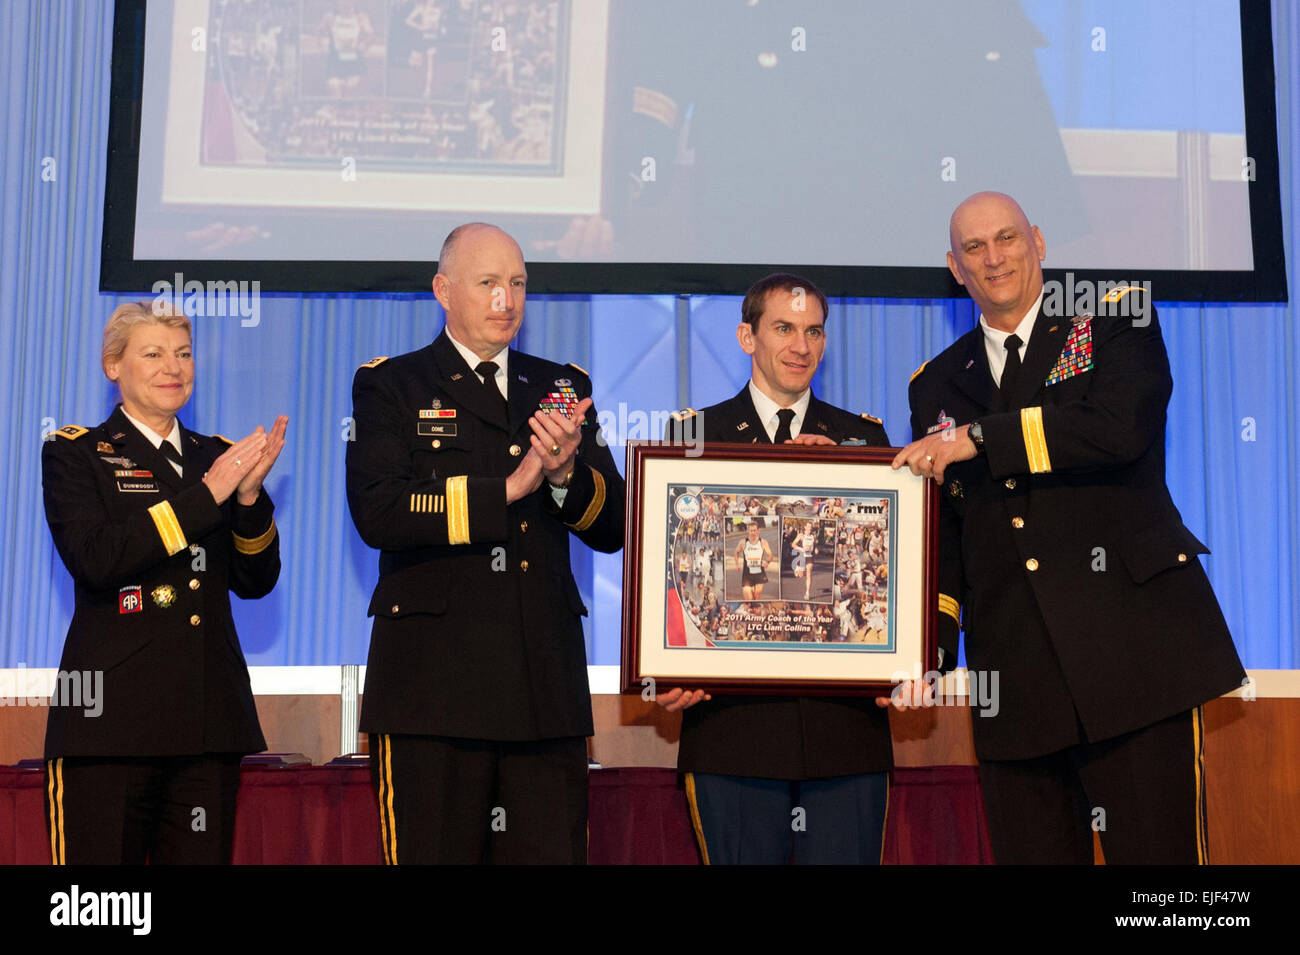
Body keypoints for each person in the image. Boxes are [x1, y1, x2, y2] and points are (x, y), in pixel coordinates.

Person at [893, 191, 1246, 864]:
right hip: (1016, 682)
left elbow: (1118, 428)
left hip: (1133, 660)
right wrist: (927, 652)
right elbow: (947, 537)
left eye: (1008, 238)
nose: (994, 258)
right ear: (954, 268)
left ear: (1040, 242)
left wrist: (980, 437)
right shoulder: (934, 384)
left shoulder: (1113, 321)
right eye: (974, 248)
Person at [345, 222, 623, 864]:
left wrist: (562, 478)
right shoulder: (393, 385)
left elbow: (612, 527)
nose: (507, 301)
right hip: (434, 692)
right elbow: (380, 512)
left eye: (519, 284)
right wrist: (509, 487)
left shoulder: (561, 387)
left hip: (543, 689)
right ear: (444, 290)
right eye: (489, 283)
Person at [41, 302, 288, 864]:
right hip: (111, 723)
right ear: (113, 367)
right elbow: (97, 558)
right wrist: (208, 497)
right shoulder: (77, 453)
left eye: (182, 353)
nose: (172, 367)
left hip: (207, 721)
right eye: (152, 354)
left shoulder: (217, 456)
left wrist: (247, 499)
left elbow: (256, 581)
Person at [660, 273, 894, 865]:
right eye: (784, 328)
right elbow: (676, 575)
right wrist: (667, 665)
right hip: (733, 733)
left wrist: (838, 489)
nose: (802, 346)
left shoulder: (866, 442)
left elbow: (884, 582)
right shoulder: (693, 436)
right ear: (747, 336)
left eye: (814, 331)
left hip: (845, 736)